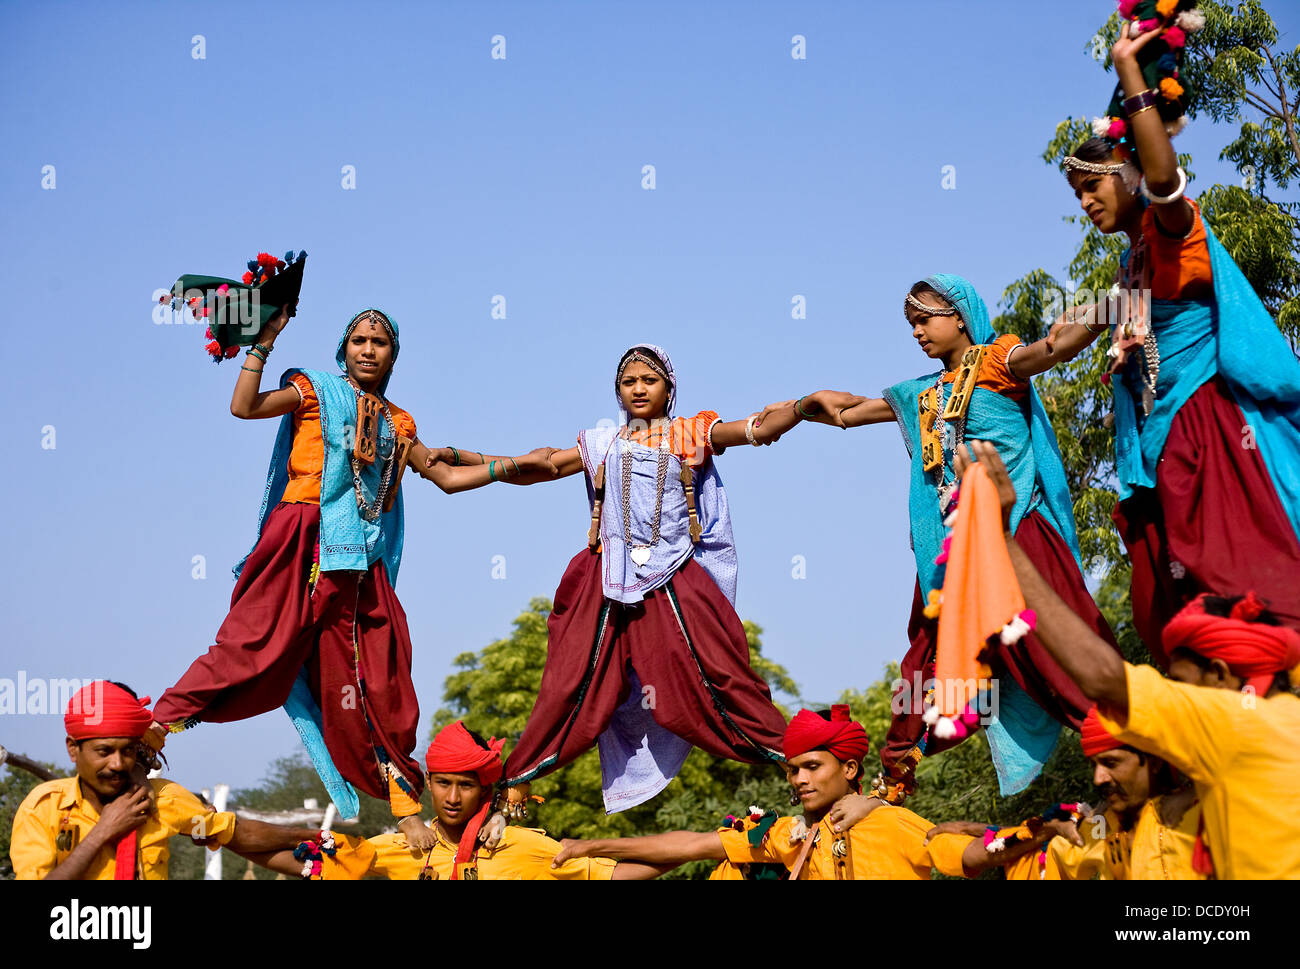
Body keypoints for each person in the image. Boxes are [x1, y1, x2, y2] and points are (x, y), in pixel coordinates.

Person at [151, 306, 552, 846]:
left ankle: (404, 804)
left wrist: (527, 463)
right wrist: (265, 340)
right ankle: (157, 725)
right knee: (253, 641)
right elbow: (243, 407)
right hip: (302, 542)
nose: (369, 349)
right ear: (345, 348)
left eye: (380, 342)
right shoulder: (313, 390)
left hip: (362, 564)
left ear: (393, 355)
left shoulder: (399, 422)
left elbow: (449, 477)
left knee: (380, 680)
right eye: (360, 340)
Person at [755, 276, 1116, 799]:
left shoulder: (1000, 361)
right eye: (912, 324)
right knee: (926, 665)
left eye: (926, 319)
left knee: (1055, 647)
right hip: (953, 553)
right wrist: (803, 405)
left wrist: (1123, 298)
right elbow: (849, 413)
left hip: (1017, 534)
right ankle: (893, 777)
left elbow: (1058, 347)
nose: (918, 332)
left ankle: (1136, 735)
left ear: (961, 316)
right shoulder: (920, 395)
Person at [434, 344, 791, 815]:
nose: (639, 389)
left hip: (674, 576)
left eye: (650, 380)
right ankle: (518, 782)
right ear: (617, 391)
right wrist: (462, 462)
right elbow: (542, 464)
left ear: (669, 388)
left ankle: (800, 758)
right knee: (570, 680)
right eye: (629, 382)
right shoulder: (601, 442)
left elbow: (757, 429)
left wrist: (803, 408)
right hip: (606, 577)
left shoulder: (691, 433)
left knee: (721, 676)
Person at [1060, 19, 1300, 657]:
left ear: (1131, 171)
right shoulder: (1129, 267)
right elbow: (1069, 336)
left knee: (1233, 595)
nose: (1086, 200)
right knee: (1175, 621)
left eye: (1095, 182)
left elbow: (1164, 179)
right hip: (1163, 451)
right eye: (1077, 191)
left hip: (1208, 432)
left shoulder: (1174, 229)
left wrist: (1129, 72)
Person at [956, 439, 1300, 879]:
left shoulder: (1240, 724)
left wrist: (1004, 541)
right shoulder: (1270, 726)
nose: (1100, 778)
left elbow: (1101, 678)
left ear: (1219, 674)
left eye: (1182, 682)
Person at [552, 705, 1077, 879]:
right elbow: (689, 845)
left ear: (850, 770)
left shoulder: (888, 822)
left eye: (811, 767)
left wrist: (1037, 830)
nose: (799, 779)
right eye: (793, 771)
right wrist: (590, 847)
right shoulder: (791, 835)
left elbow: (968, 855)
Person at [262, 721, 662, 880]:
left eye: (466, 786)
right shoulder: (399, 848)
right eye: (443, 784)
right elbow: (307, 863)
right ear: (429, 784)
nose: (452, 798)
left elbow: (617, 875)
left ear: (484, 789)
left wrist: (705, 848)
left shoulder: (521, 844)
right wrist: (220, 829)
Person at [11, 682, 323, 880]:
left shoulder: (165, 799)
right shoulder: (44, 807)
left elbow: (235, 835)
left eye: (130, 750)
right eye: (104, 751)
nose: (117, 764)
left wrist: (315, 847)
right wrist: (103, 832)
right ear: (73, 749)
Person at [930, 707, 1202, 880]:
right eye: (1094, 766)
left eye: (1111, 763)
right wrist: (970, 828)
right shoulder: (1104, 826)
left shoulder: (1207, 810)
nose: (1098, 778)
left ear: (1153, 761)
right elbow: (1019, 843)